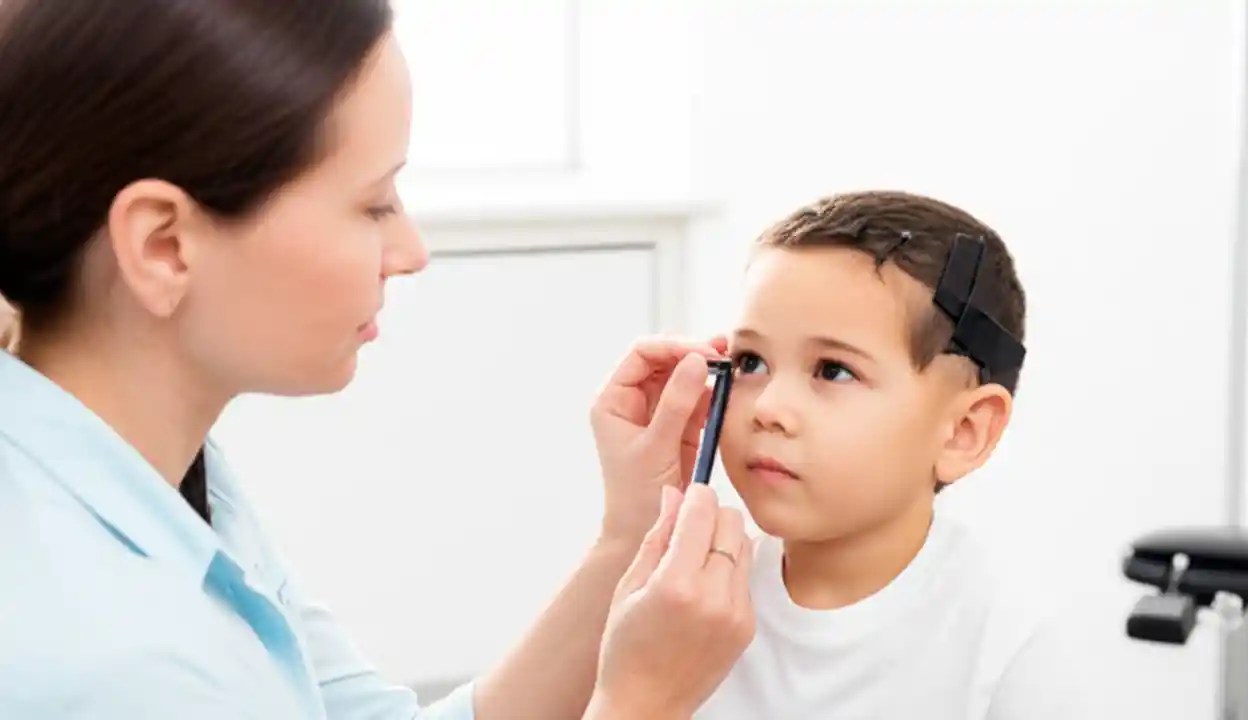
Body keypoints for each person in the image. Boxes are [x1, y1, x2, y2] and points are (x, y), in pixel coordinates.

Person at [0, 2, 754, 718]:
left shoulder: (163, 476)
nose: (410, 253)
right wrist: (644, 700)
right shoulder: (109, 664)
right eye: (373, 205)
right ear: (164, 245)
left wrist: (627, 538)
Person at [693, 191, 1090, 719]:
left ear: (962, 432)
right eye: (750, 361)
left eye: (832, 370)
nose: (768, 407)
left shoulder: (1007, 646)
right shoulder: (690, 605)